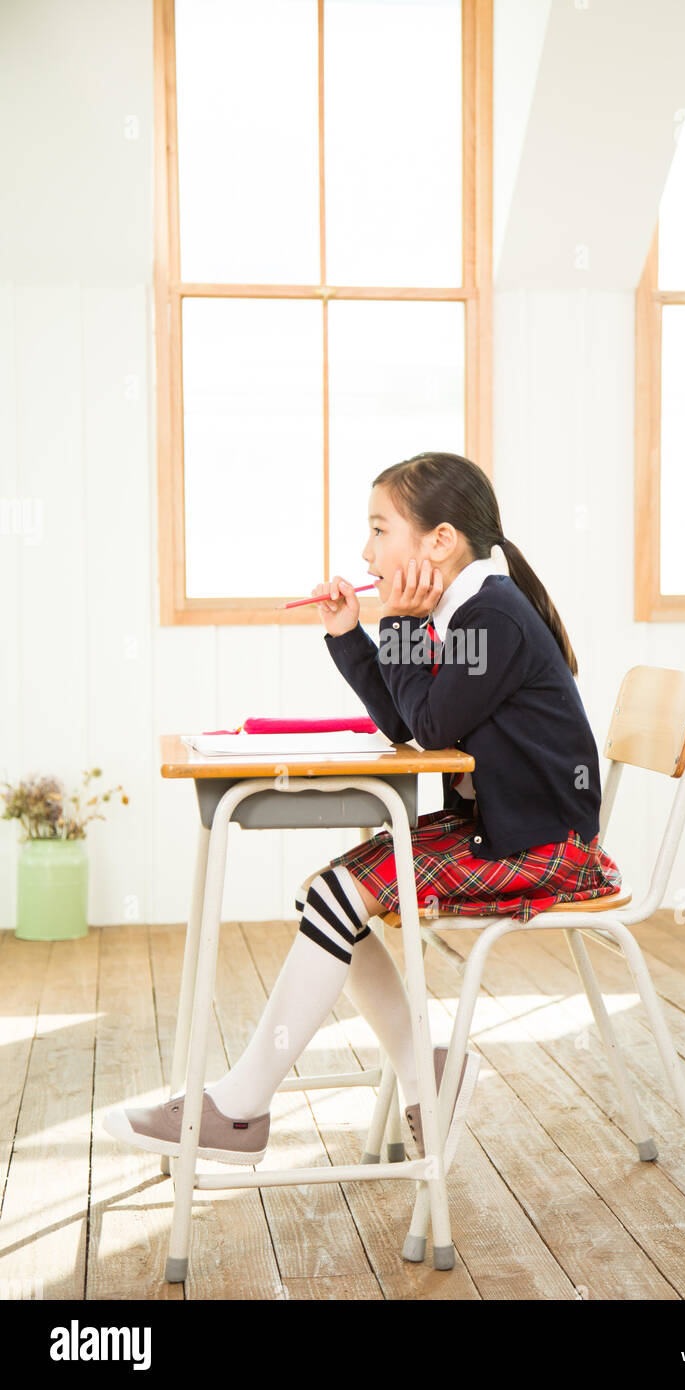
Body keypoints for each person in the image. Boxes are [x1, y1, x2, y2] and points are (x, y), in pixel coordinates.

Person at [104, 451, 622, 1167]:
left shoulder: (492, 616)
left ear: (439, 541)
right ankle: (419, 1075)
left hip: (542, 849)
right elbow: (409, 721)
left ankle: (239, 1108)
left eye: (380, 529)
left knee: (336, 896)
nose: (364, 550)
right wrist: (354, 633)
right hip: (511, 832)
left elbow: (430, 726)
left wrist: (402, 620)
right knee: (329, 895)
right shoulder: (471, 608)